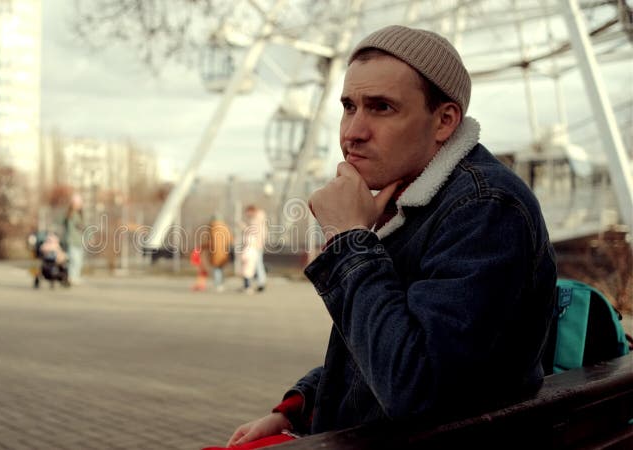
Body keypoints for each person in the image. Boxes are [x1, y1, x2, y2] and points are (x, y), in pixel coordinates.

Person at [221, 25, 557, 448]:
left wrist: (348, 238)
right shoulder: (414, 203)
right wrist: (298, 406)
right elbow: (375, 352)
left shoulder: (484, 210)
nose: (352, 132)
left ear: (444, 121)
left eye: (380, 107)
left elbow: (415, 387)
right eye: (348, 106)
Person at [239, 205, 267, 294]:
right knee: (257, 265)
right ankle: (260, 282)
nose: (247, 215)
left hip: (254, 246)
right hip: (256, 245)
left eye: (248, 212)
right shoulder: (260, 219)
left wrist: (243, 226)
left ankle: (259, 283)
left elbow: (251, 231)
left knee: (255, 265)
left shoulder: (256, 220)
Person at [203, 214, 233, 292]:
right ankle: (221, 283)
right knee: (221, 268)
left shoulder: (212, 228)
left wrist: (204, 247)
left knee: (216, 268)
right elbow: (231, 239)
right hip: (224, 251)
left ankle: (218, 284)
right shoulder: (225, 227)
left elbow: (211, 241)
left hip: (215, 251)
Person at [63, 194, 86, 285]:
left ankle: (75, 276)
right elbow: (70, 227)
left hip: (79, 242)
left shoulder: (79, 215)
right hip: (72, 242)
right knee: (73, 260)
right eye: (77, 203)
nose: (79, 206)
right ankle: (71, 277)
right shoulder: (70, 215)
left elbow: (82, 227)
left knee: (79, 261)